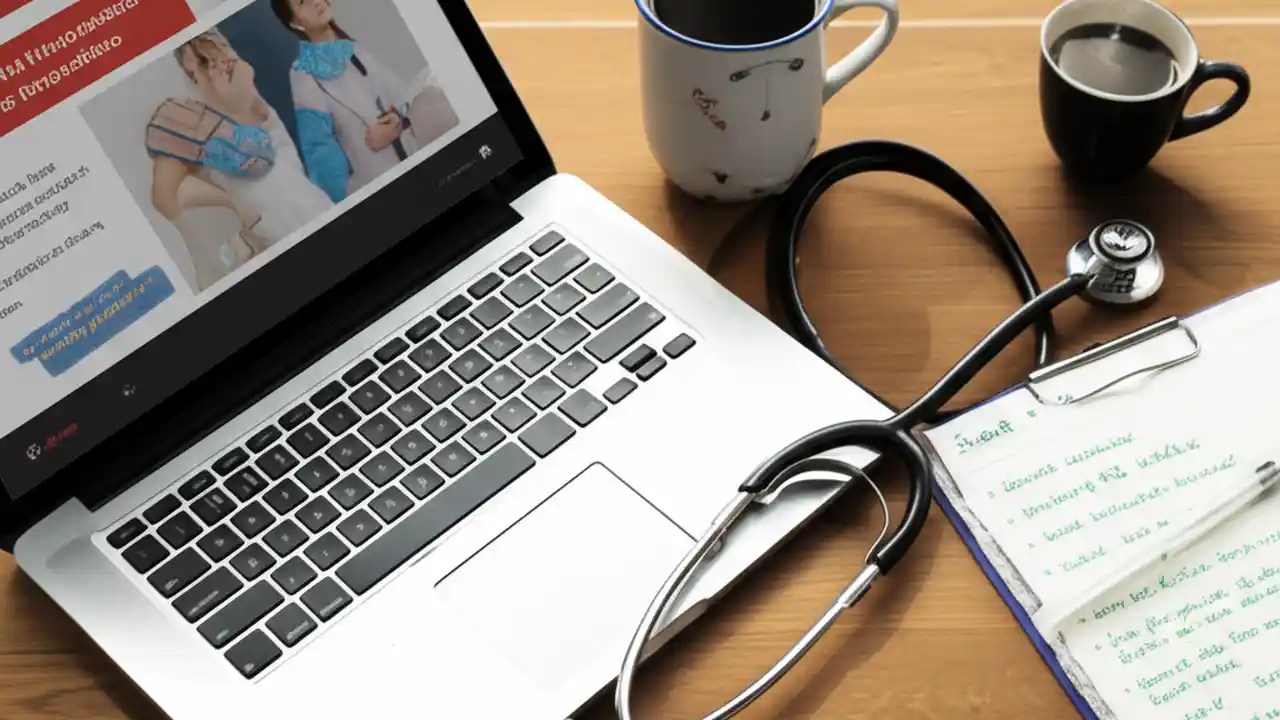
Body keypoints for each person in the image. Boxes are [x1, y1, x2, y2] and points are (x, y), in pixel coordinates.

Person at [146, 29, 334, 290]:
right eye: (203, 63)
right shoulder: (191, 133)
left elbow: (256, 138)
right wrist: (233, 205)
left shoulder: (256, 110)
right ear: (193, 80)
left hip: (323, 225)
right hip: (283, 265)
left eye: (221, 50)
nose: (219, 64)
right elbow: (166, 199)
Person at [272, 0, 421, 202]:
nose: (315, 1)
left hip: (416, 156)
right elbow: (320, 150)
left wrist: (397, 120)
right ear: (294, 22)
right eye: (301, 2)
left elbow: (400, 95)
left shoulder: (355, 48)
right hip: (380, 186)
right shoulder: (304, 73)